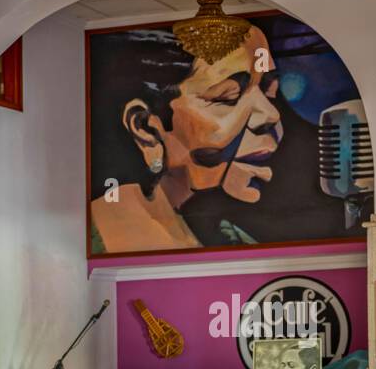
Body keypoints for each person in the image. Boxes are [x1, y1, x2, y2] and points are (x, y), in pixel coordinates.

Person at [87, 26, 282, 254]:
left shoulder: (228, 237)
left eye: (269, 90)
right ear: (144, 128)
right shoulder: (92, 240)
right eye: (229, 97)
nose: (271, 115)